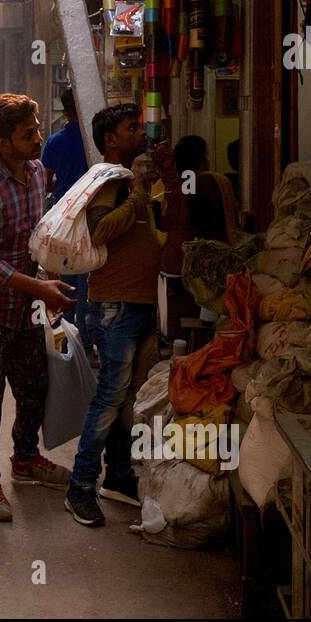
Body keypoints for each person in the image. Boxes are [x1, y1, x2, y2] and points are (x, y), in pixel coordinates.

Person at [65, 103, 181, 527]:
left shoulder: (135, 179)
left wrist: (164, 178)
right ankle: (80, 486)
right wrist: (138, 190)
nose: (141, 132)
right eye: (132, 128)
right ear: (111, 139)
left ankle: (117, 476)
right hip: (114, 304)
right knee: (110, 397)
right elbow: (100, 230)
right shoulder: (109, 180)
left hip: (140, 301)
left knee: (126, 398)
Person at [0, 94, 76, 522]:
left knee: (33, 389)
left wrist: (46, 281)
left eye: (38, 128)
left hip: (30, 306)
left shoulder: (34, 174)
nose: (39, 139)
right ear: (3, 142)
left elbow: (37, 236)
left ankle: (25, 459)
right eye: (28, 134)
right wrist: (39, 288)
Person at [40, 86, 90, 335]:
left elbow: (46, 181)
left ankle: (71, 334)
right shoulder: (94, 138)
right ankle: (88, 332)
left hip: (65, 212)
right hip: (92, 212)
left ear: (65, 109)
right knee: (89, 274)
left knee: (69, 271)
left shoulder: (54, 140)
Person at [174, 135, 239, 244]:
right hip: (227, 244)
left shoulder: (191, 180)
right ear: (202, 159)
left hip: (206, 247)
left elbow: (187, 220)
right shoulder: (220, 178)